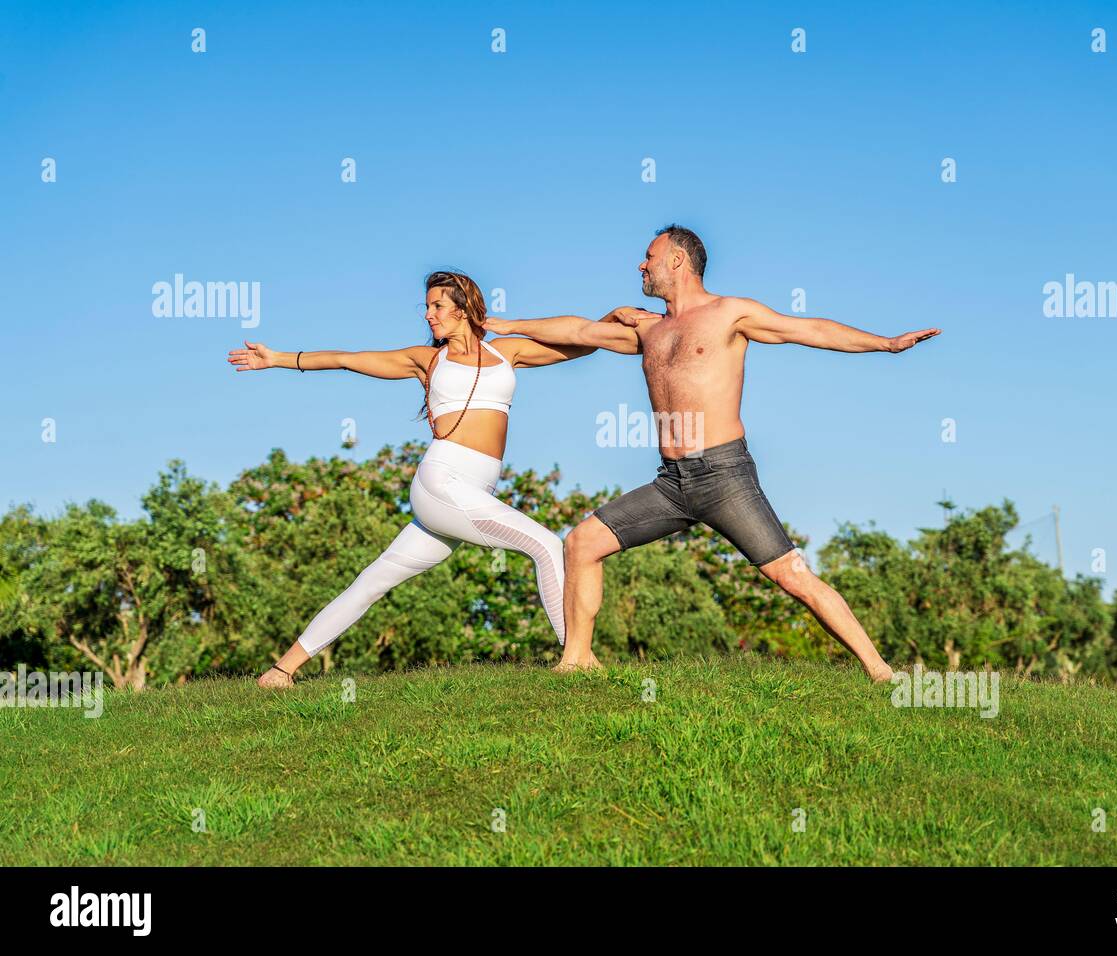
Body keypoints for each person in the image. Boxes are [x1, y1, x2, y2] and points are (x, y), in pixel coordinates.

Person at [486, 225, 941, 681]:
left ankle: (880, 670)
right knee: (581, 542)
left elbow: (807, 329)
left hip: (725, 477)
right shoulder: (649, 330)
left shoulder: (730, 313)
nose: (641, 265)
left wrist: (885, 343)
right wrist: (509, 325)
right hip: (670, 484)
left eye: (649, 256)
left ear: (678, 260)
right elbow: (579, 330)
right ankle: (577, 660)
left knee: (791, 575)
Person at [229, 271, 595, 687]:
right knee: (547, 546)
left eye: (437, 306)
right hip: (442, 482)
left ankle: (279, 672)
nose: (428, 315)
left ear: (464, 307)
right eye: (426, 307)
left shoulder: (505, 353)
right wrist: (277, 358)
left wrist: (610, 325)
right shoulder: (427, 360)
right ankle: (579, 661)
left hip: (472, 492)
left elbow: (579, 344)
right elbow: (347, 359)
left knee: (372, 580)